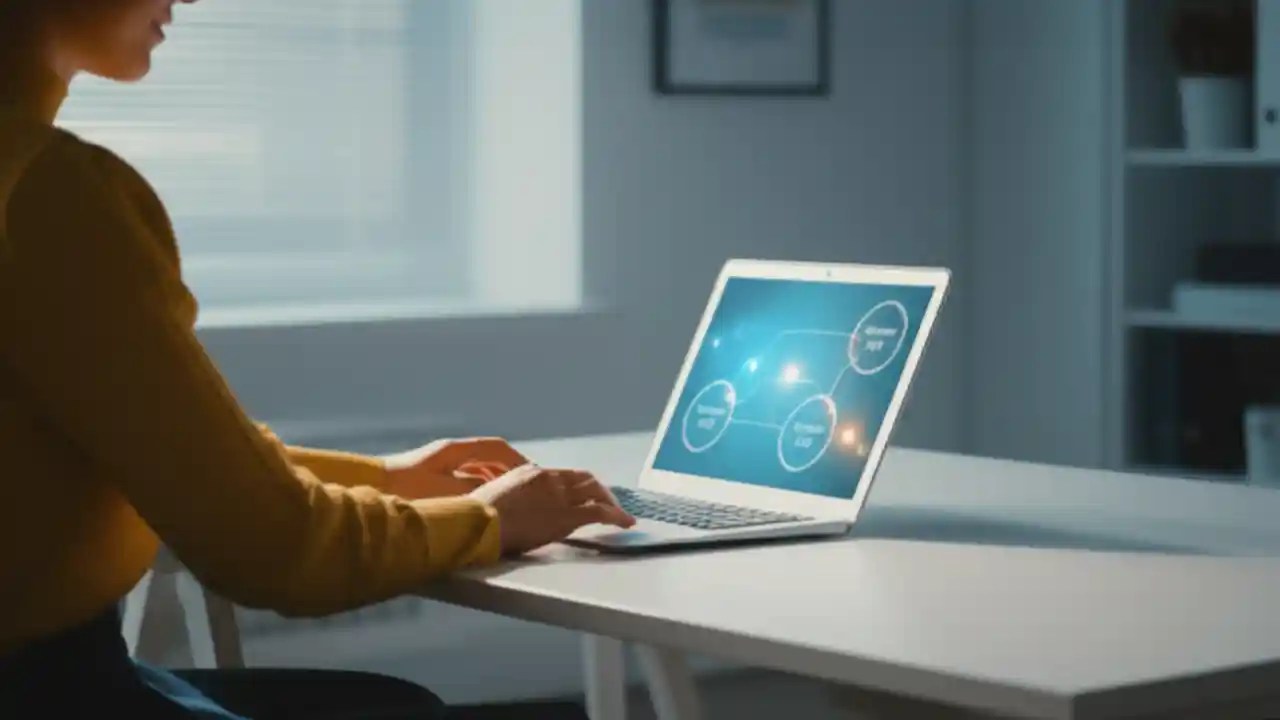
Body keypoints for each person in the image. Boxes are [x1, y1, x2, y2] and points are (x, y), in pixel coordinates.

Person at [0, 0, 636, 717]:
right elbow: (273, 548)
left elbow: (141, 450)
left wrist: (386, 478)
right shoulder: (48, 191)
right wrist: (487, 520)